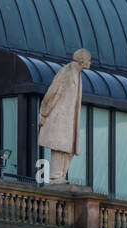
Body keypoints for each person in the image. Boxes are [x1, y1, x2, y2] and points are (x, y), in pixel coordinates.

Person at [38, 49, 91, 184]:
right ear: (82, 60)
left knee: (70, 149)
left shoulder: (78, 75)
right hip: (59, 116)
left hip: (70, 119)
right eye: (89, 59)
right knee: (59, 146)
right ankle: (56, 176)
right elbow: (53, 92)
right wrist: (44, 112)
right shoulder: (66, 71)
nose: (90, 63)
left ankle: (61, 175)